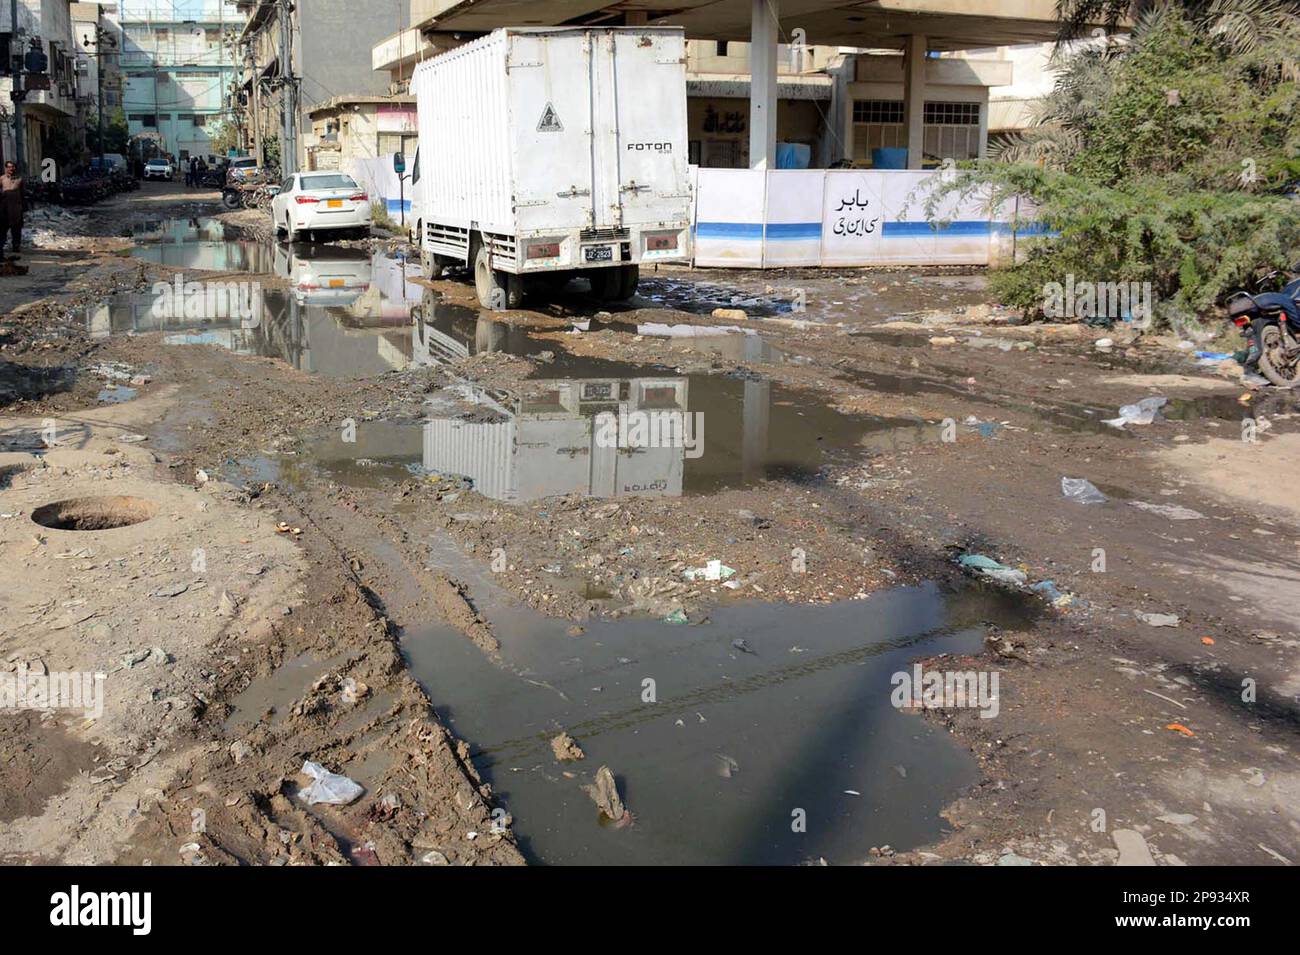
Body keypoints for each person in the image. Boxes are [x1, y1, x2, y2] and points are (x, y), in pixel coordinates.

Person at [1, 160, 24, 258]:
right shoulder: (2, 178)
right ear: (6, 168)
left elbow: (22, 193)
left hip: (16, 205)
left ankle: (16, 245)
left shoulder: (19, 179)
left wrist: (23, 206)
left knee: (17, 226)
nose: (11, 169)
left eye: (12, 167)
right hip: (5, 205)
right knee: (3, 226)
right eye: (9, 167)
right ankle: (2, 245)